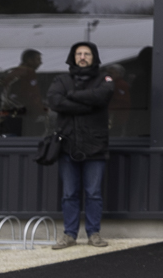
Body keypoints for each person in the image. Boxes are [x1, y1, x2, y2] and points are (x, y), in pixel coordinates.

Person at [44, 42, 115, 249]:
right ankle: (69, 235)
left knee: (93, 193)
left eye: (87, 54)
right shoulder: (61, 80)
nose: (82, 57)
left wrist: (72, 97)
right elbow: (54, 101)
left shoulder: (104, 79)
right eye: (78, 54)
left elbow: (102, 96)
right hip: (67, 146)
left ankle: (94, 233)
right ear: (72, 57)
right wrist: (89, 104)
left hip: (96, 146)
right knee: (69, 193)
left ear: (94, 57)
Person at [0, 48, 44, 136]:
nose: (41, 63)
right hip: (23, 114)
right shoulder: (28, 72)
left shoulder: (15, 72)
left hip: (11, 112)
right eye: (38, 59)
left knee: (13, 138)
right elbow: (32, 95)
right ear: (29, 60)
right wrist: (39, 110)